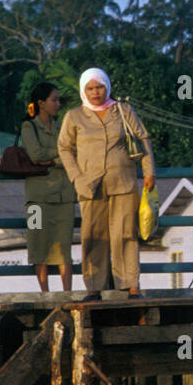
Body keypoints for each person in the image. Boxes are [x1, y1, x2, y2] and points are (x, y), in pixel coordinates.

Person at [57, 67, 155, 297]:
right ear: (83, 90)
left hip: (123, 180)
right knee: (93, 236)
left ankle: (130, 284)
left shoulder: (122, 110)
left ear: (107, 86)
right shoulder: (74, 116)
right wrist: (76, 177)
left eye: (99, 87)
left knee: (126, 233)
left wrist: (149, 172)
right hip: (89, 185)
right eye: (90, 88)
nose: (95, 92)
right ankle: (94, 286)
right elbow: (64, 148)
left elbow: (143, 138)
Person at [19, 81, 74, 292]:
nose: (58, 104)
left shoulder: (62, 127)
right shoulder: (28, 126)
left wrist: (50, 159)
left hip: (63, 196)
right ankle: (44, 294)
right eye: (54, 100)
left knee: (64, 248)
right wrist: (59, 157)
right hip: (36, 198)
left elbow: (70, 151)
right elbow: (35, 155)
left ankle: (67, 293)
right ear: (41, 103)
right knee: (38, 247)